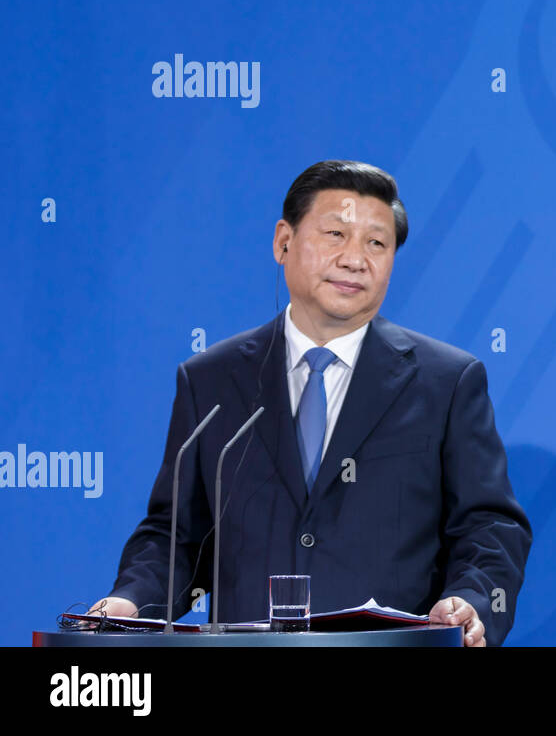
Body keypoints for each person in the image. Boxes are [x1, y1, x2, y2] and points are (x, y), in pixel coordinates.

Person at [91, 161, 531, 646]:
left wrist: (471, 598)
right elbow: (176, 536)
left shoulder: (446, 382)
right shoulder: (210, 380)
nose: (354, 259)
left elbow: (489, 526)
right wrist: (129, 602)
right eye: (335, 234)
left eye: (376, 243)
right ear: (284, 242)